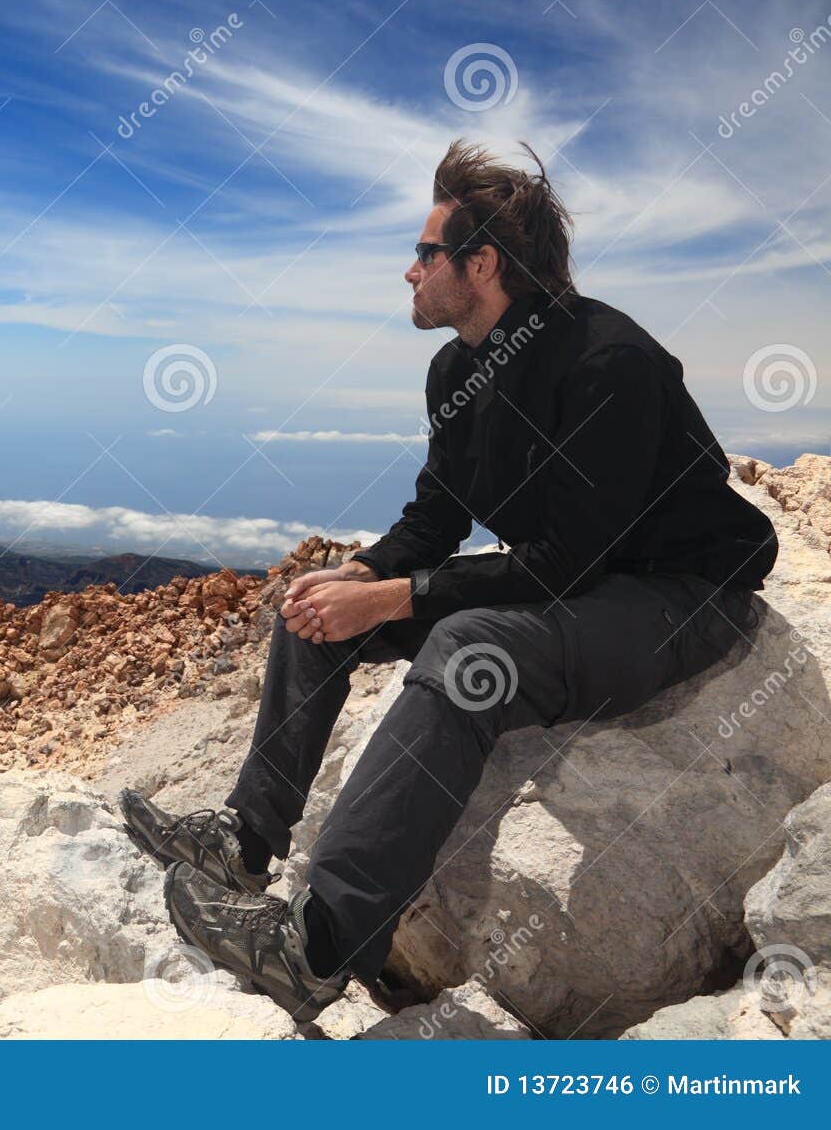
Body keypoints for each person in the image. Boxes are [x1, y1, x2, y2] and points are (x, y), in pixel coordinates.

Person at [120, 139, 779, 1021]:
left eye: (425, 254)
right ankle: (246, 839)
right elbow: (438, 515)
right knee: (320, 603)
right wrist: (362, 574)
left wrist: (397, 598)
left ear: (481, 264)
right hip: (582, 584)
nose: (408, 272)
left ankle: (315, 946)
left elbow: (567, 564)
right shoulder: (458, 369)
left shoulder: (607, 361)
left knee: (472, 650)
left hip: (679, 594)